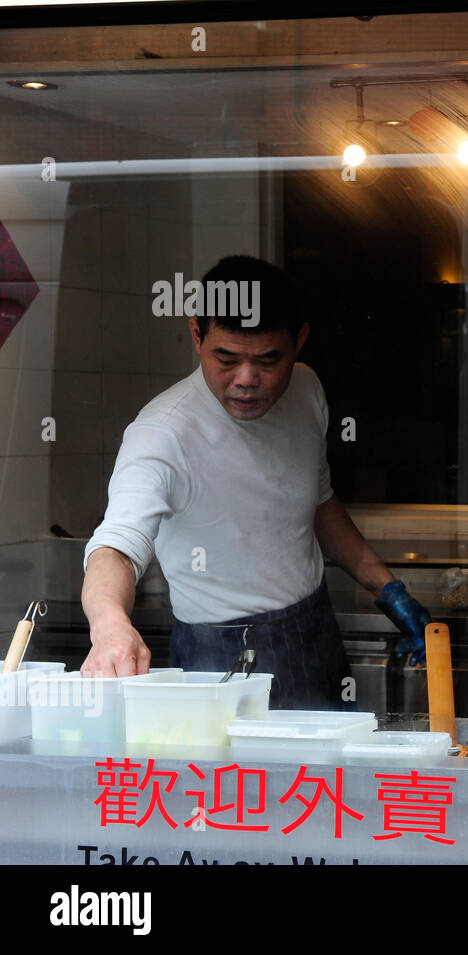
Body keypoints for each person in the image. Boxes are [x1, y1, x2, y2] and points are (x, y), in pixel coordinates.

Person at [80, 255, 431, 709]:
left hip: (314, 631)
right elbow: (116, 547)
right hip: (217, 655)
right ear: (196, 335)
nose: (247, 380)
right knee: (234, 782)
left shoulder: (306, 391)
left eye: (268, 360)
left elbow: (320, 504)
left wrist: (390, 592)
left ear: (299, 341)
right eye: (225, 358)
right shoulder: (162, 434)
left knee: (332, 780)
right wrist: (110, 625)